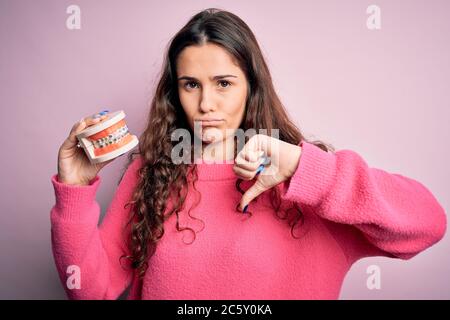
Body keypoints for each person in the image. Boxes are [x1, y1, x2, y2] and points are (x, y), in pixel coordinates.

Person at [50, 8, 447, 300]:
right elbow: (89, 288)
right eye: (191, 85)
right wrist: (75, 189)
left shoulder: (309, 178)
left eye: (224, 83)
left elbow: (426, 225)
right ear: (176, 93)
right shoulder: (149, 175)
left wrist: (300, 166)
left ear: (251, 88)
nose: (206, 103)